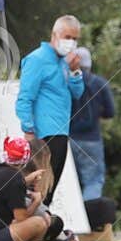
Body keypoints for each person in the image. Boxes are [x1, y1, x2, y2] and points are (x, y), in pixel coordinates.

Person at [17, 15, 85, 200]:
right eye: (67, 37)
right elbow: (25, 98)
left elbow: (77, 92)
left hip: (61, 130)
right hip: (43, 134)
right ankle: (34, 226)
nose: (71, 42)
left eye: (75, 38)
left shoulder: (65, 62)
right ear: (54, 35)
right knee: (40, 188)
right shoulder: (37, 59)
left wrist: (75, 71)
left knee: (49, 189)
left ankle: (42, 224)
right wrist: (28, 131)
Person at [68, 47, 115, 203]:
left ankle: (72, 220)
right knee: (93, 181)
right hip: (92, 139)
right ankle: (90, 218)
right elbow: (111, 111)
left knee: (69, 183)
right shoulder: (99, 83)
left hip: (69, 139)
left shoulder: (66, 83)